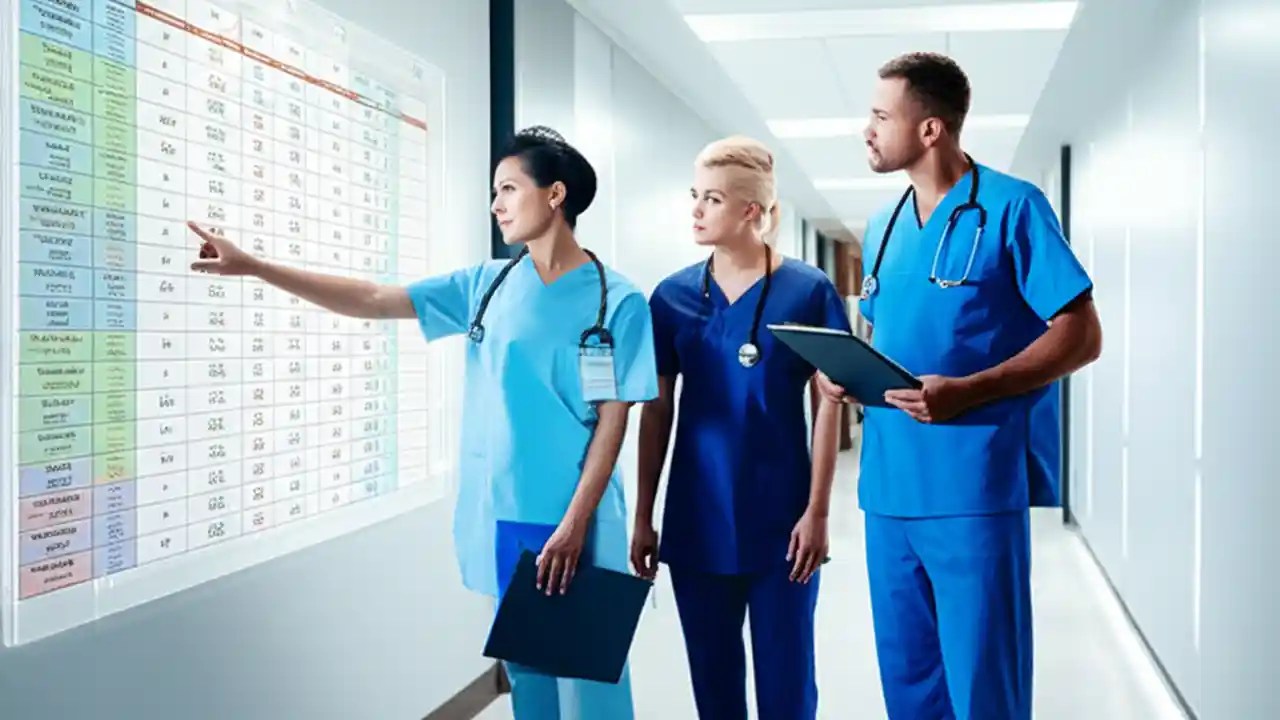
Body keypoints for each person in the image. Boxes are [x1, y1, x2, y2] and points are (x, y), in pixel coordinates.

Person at [188, 126, 657, 720]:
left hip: (578, 523)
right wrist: (256, 267)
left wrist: (574, 523)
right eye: (495, 191)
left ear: (555, 194)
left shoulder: (617, 301)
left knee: (594, 691)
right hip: (506, 515)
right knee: (531, 686)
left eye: (509, 189)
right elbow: (372, 299)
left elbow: (615, 423)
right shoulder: (486, 285)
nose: (497, 205)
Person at [815, 53, 1103, 720]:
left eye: (882, 116)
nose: (867, 129)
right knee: (910, 688)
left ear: (930, 129)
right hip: (888, 497)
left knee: (983, 690)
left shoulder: (1011, 208)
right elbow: (894, 344)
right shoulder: (883, 227)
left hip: (970, 492)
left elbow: (1082, 335)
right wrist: (853, 379)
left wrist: (971, 389)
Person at [631, 135, 850, 720]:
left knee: (787, 683)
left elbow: (830, 403)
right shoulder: (673, 297)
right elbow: (656, 412)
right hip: (698, 516)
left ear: (751, 211)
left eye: (712, 199)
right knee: (713, 681)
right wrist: (642, 514)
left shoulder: (808, 291)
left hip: (783, 520)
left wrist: (819, 512)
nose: (696, 211)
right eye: (694, 196)